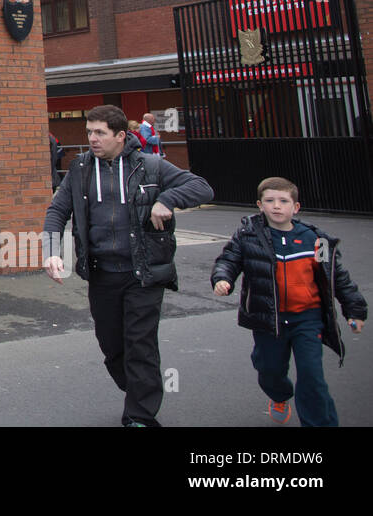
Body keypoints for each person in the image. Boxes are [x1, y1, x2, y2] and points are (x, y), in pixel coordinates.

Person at [43, 103, 212, 426]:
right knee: (112, 347)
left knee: (140, 344)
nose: (92, 139)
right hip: (102, 273)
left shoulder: (151, 166)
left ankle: (139, 414)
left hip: (144, 273)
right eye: (89, 132)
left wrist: (166, 200)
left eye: (99, 133)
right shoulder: (80, 169)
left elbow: (202, 187)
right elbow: (57, 211)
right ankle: (138, 387)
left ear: (120, 135)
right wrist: (52, 251)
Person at [212, 176, 366, 426]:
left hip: (307, 318)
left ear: (295, 207)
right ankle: (279, 395)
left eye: (283, 201)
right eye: (269, 200)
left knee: (312, 377)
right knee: (269, 369)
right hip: (268, 319)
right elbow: (228, 260)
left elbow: (336, 277)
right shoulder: (247, 236)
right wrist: (222, 279)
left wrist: (354, 311)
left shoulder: (317, 239)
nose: (276, 206)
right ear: (260, 206)